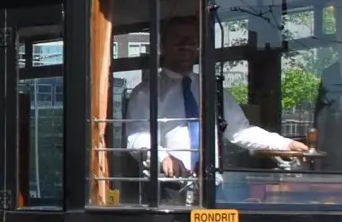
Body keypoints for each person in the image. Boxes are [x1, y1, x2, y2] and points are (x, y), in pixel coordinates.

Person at [123, 13, 309, 180]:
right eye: (178, 40)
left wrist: (285, 144)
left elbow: (239, 130)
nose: (185, 46)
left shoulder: (211, 88)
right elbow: (137, 136)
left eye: (192, 41)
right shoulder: (146, 92)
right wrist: (162, 157)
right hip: (168, 186)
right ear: (162, 45)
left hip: (212, 187)